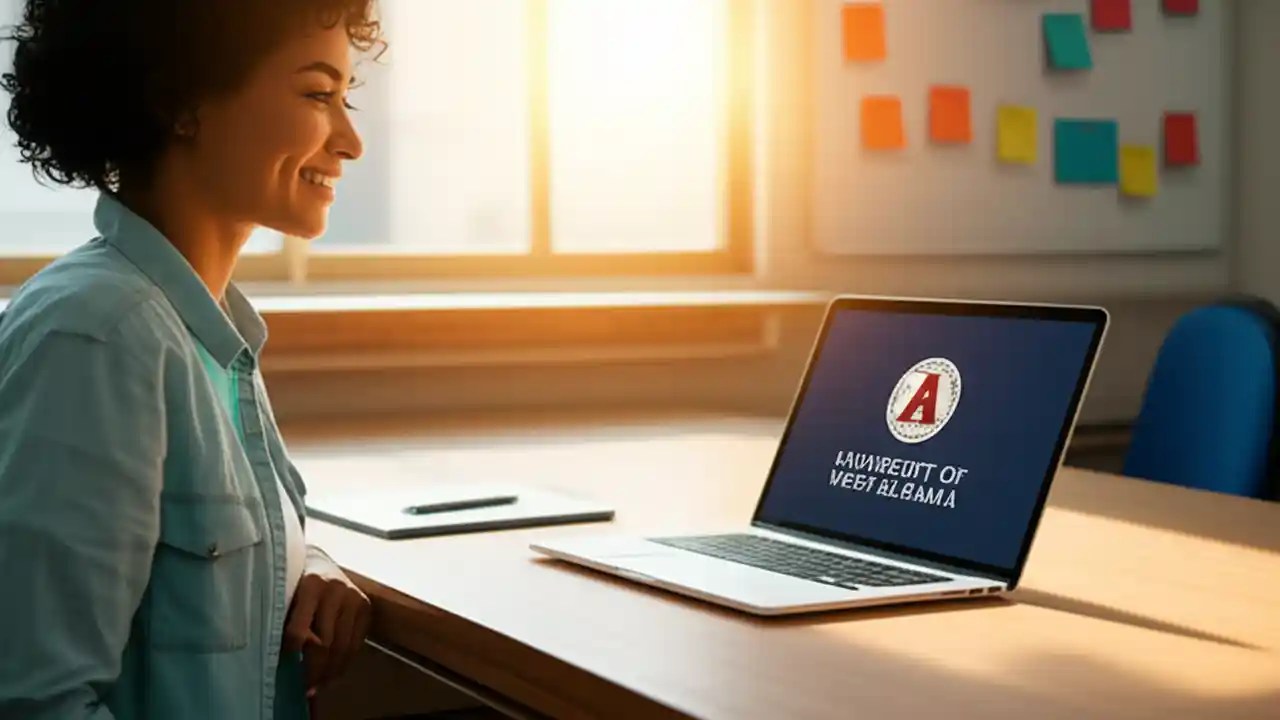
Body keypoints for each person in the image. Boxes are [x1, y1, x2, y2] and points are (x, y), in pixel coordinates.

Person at [0, 1, 383, 717]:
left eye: (347, 98)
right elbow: (33, 699)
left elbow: (194, 562)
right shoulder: (101, 336)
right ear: (182, 102)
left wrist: (306, 567)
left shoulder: (204, 329)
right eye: (317, 94)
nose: (352, 141)